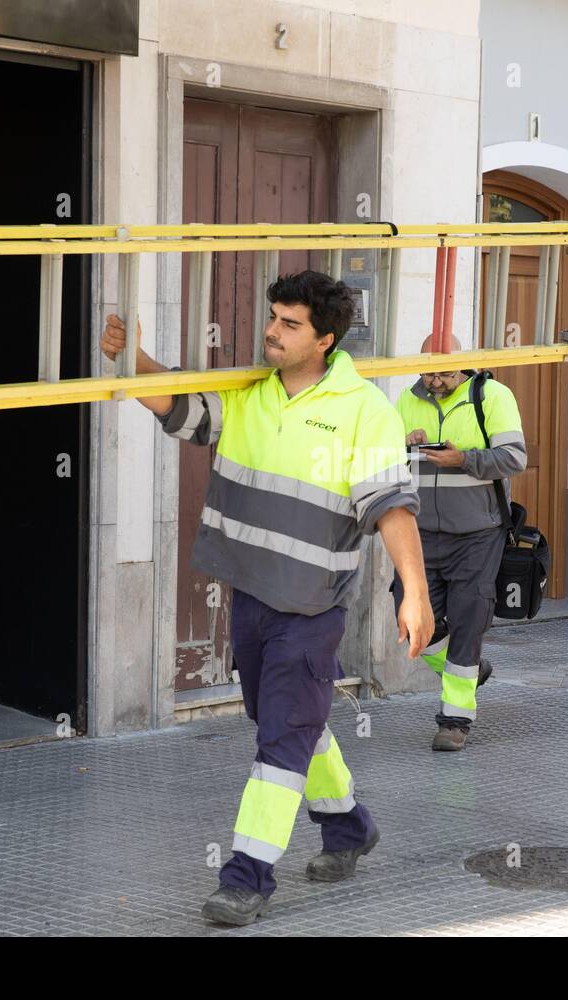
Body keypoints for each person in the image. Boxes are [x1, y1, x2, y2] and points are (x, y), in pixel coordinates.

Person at [100, 270, 434, 926]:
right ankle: (348, 826)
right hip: (251, 596)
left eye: (289, 324)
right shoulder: (253, 391)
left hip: (312, 608)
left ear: (325, 340)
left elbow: (394, 508)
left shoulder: (365, 410)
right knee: (285, 721)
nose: (271, 332)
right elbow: (181, 408)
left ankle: (247, 877)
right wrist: (131, 359)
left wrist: (414, 592)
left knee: (281, 736)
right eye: (272, 317)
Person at [394, 334, 527, 751]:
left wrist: (464, 459)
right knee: (410, 614)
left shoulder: (492, 396)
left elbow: (514, 459)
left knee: (468, 618)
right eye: (429, 372)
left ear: (463, 365)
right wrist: (405, 446)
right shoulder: (405, 400)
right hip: (419, 531)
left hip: (477, 532)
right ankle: (469, 669)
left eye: (445, 373)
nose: (435, 381)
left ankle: (454, 721)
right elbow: (382, 459)